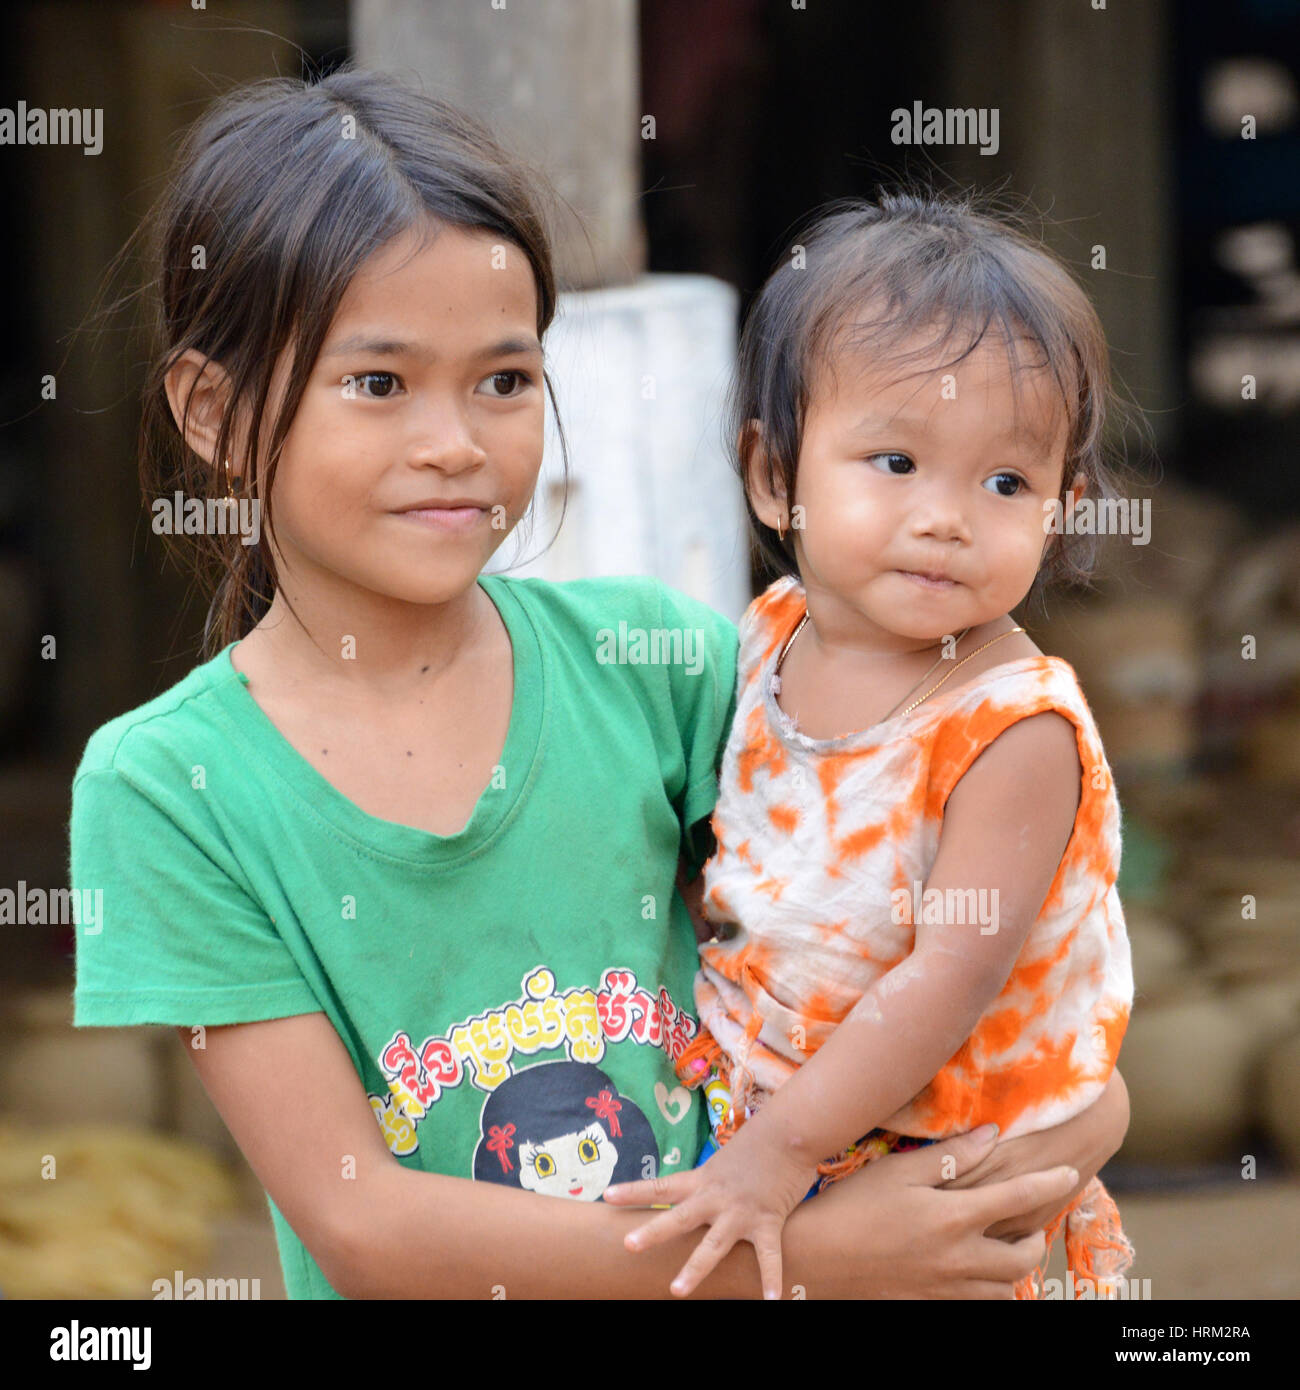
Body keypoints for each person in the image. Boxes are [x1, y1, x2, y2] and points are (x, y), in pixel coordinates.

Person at [71, 69, 1127, 1300]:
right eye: (379, 382)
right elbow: (365, 1228)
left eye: (505, 380)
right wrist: (811, 1265)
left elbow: (902, 957)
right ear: (216, 410)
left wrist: (1080, 1118)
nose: (456, 440)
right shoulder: (172, 788)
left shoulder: (662, 665)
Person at [605, 192, 1137, 1302]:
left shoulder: (1010, 730)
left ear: (1059, 509)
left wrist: (779, 1151)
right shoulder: (766, 638)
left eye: (1005, 482)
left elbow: (947, 978)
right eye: (893, 461)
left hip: (944, 1188)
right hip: (776, 1150)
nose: (946, 516)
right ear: (770, 474)